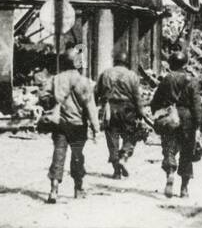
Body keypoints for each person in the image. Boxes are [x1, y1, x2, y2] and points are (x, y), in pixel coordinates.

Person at [43, 51, 100, 203]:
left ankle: (54, 188)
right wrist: (96, 129)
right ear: (79, 64)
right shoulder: (84, 81)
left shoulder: (55, 79)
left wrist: (51, 106)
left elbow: (43, 96)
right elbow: (90, 107)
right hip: (78, 125)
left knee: (58, 153)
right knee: (77, 156)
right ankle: (78, 188)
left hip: (60, 123)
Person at [150, 50, 202, 199]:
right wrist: (198, 125)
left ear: (171, 63)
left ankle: (170, 173)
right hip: (187, 119)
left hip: (170, 117)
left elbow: (155, 101)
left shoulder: (166, 80)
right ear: (185, 64)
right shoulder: (191, 81)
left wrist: (158, 113)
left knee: (169, 149)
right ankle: (184, 189)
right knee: (187, 153)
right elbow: (197, 105)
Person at [95, 49, 145, 178]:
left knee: (112, 138)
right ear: (126, 62)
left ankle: (116, 171)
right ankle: (125, 155)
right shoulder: (132, 75)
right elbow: (137, 96)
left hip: (109, 109)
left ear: (115, 61)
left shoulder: (105, 73)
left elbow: (96, 92)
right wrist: (140, 112)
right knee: (131, 134)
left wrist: (96, 108)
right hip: (128, 109)